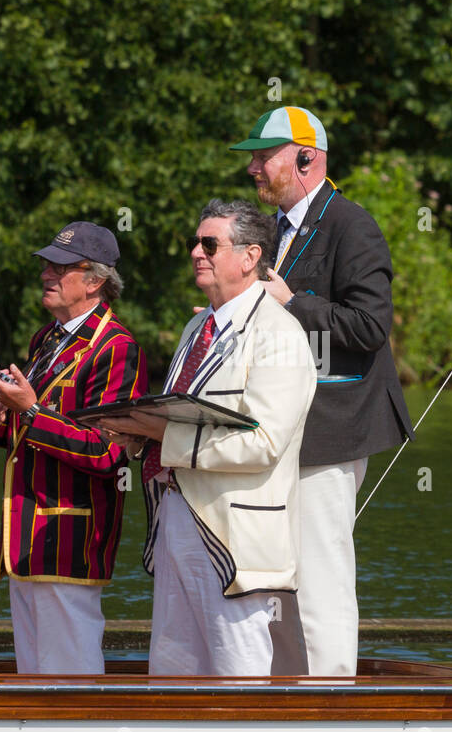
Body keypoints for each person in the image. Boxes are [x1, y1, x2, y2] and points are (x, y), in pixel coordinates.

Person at [229, 106, 415, 676]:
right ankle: (288, 695)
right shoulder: (274, 231)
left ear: (307, 158)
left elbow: (370, 327)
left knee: (321, 576)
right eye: (253, 158)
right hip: (284, 431)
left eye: (264, 156)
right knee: (279, 576)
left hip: (333, 429)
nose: (254, 168)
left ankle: (334, 699)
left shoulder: (352, 224)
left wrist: (292, 304)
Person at [98, 200, 315, 676]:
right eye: (195, 242)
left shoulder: (281, 335)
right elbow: (179, 417)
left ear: (250, 256)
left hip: (237, 539)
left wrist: (165, 435)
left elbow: (263, 444)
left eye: (210, 244)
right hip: (174, 519)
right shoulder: (196, 326)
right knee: (173, 673)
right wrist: (133, 433)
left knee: (243, 677)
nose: (197, 252)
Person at [0, 221, 147, 674]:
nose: (47, 274)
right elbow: (32, 430)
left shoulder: (117, 348)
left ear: (95, 280)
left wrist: (29, 411)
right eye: (47, 264)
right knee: (32, 671)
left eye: (62, 267)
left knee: (69, 670)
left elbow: (107, 454)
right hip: (28, 535)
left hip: (71, 538)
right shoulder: (47, 337)